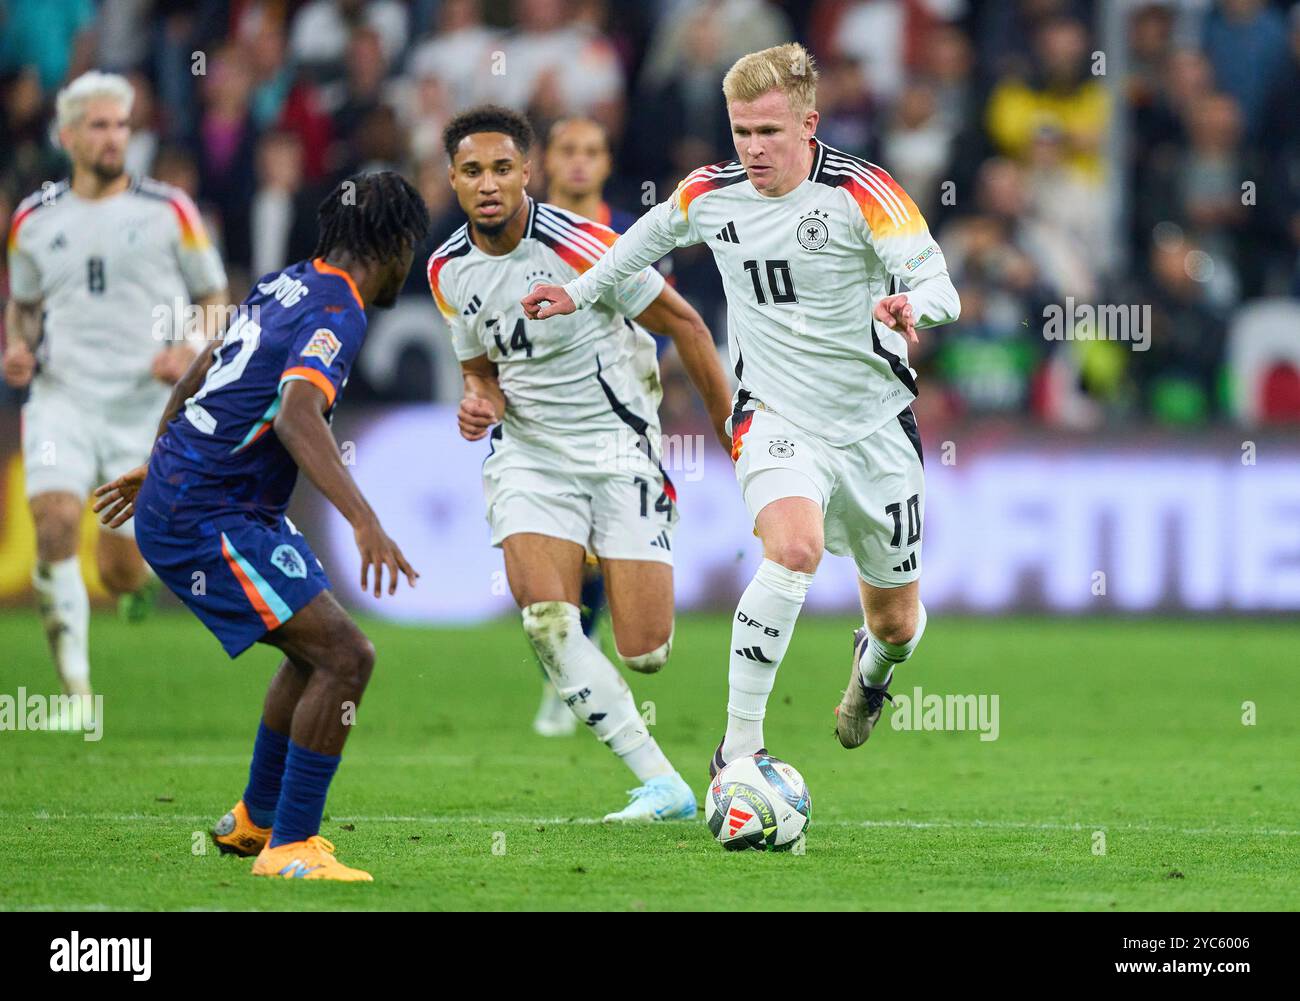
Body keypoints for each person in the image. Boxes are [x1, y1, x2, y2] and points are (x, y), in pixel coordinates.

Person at [522, 44, 960, 773]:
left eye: (769, 132)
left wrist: (912, 303)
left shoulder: (862, 191)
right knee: (792, 550)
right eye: (741, 132)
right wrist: (577, 291)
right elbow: (645, 240)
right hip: (775, 414)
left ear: (808, 124)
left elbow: (940, 284)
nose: (753, 149)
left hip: (876, 425)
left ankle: (872, 670)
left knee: (897, 622)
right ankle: (740, 748)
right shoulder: (709, 192)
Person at [93, 171, 429, 881]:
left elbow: (204, 368)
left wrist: (159, 458)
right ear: (395, 244)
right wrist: (365, 520)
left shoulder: (286, 283)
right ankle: (291, 848)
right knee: (347, 656)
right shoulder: (340, 308)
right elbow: (295, 413)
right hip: (206, 511)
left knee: (315, 653)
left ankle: (255, 820)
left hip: (208, 497)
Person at [431, 105, 733, 820]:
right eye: (472, 171)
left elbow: (685, 323)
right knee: (547, 619)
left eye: (503, 168)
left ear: (526, 173)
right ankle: (665, 783)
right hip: (530, 456)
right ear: (452, 179)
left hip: (617, 449)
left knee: (645, 650)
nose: (489, 183)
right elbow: (480, 371)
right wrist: (478, 402)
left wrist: (732, 435)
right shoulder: (447, 269)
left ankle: (643, 532)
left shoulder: (589, 246)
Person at [3, 71, 229, 728]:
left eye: (122, 126)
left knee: (123, 568)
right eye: (99, 126)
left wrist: (188, 345)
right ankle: (75, 695)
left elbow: (215, 298)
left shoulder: (170, 211)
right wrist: (18, 347)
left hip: (142, 406)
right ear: (67, 135)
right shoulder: (34, 218)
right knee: (50, 521)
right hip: (62, 395)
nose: (113, 138)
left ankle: (133, 585)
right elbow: (23, 308)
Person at [527, 115, 631, 737]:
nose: (579, 163)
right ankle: (562, 681)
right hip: (536, 415)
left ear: (607, 163)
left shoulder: (625, 238)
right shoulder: (523, 238)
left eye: (592, 151)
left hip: (612, 416)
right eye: (568, 151)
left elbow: (661, 324)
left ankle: (568, 682)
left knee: (595, 557)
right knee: (550, 554)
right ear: (546, 161)